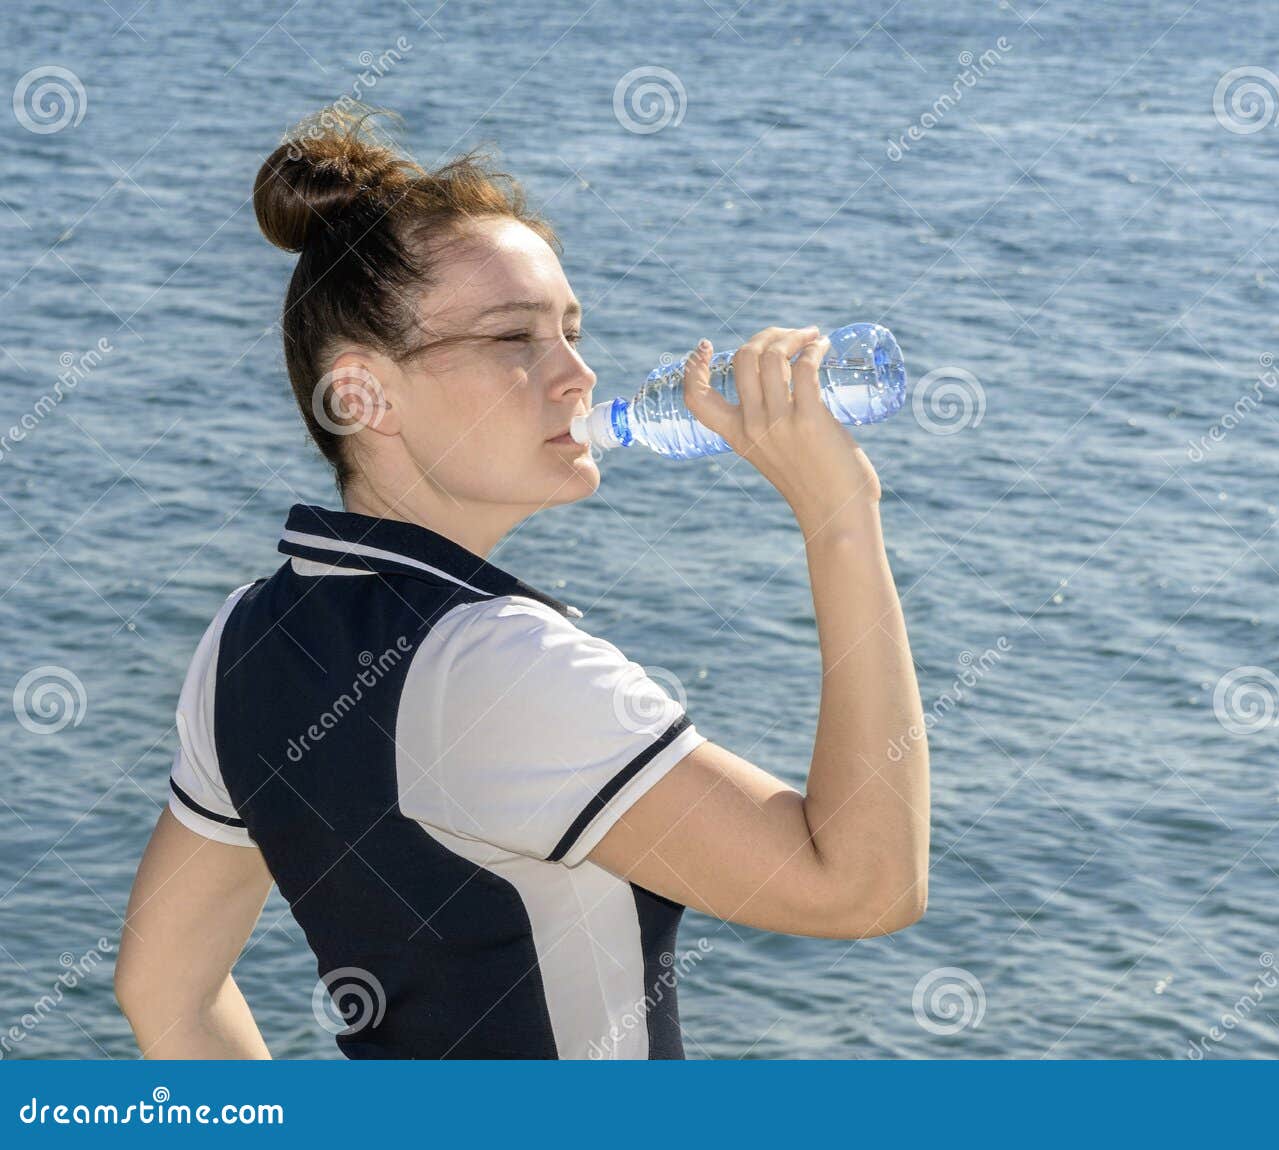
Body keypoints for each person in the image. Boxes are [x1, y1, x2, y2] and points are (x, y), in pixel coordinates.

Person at [112, 106, 929, 1059]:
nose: (577, 375)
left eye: (571, 331)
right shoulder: (504, 663)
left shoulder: (246, 638)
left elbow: (161, 989)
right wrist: (841, 514)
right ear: (359, 394)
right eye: (514, 340)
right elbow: (864, 886)